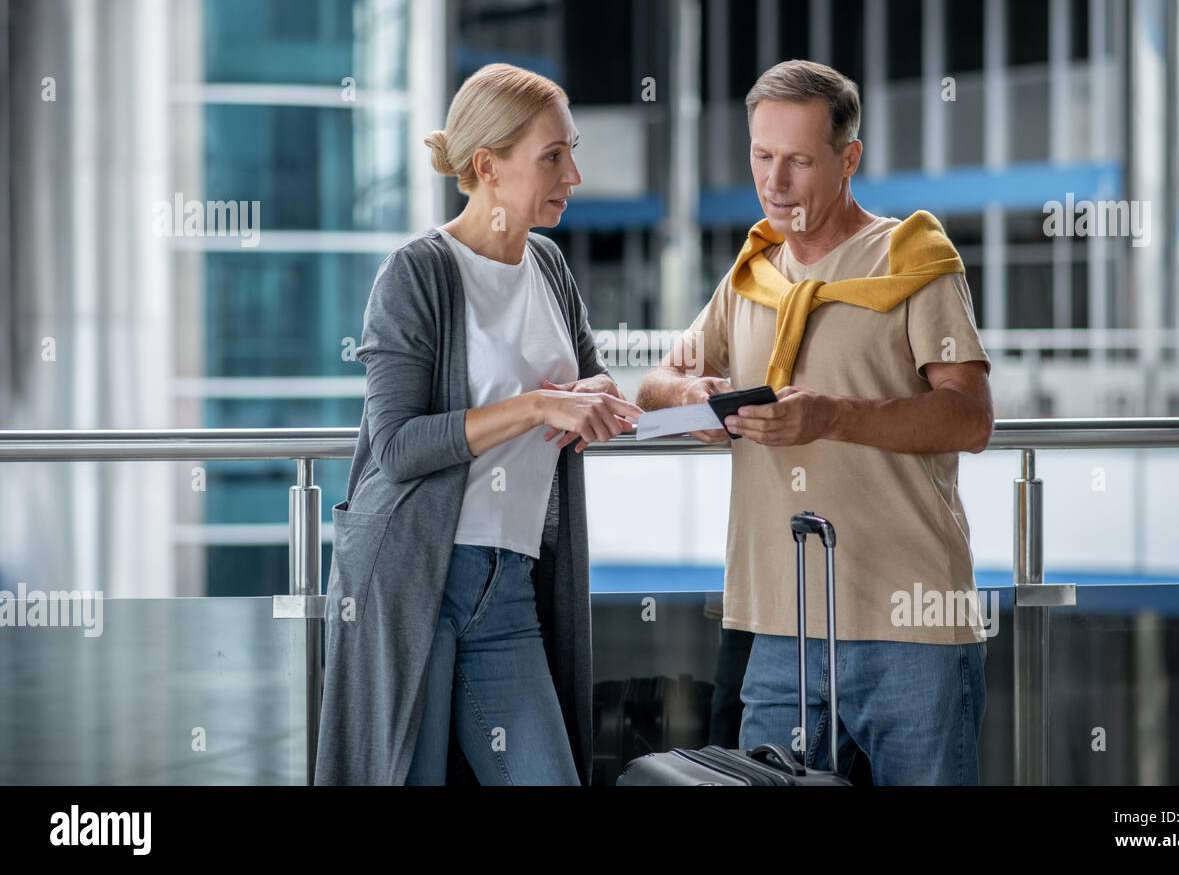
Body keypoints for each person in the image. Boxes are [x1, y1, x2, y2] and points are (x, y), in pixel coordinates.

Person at [638, 59, 994, 784]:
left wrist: (831, 415)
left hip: (913, 622)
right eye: (762, 157)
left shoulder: (914, 259)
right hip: (781, 627)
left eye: (799, 160)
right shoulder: (752, 273)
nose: (775, 181)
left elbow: (969, 417)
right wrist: (691, 400)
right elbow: (652, 382)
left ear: (848, 158)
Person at [315, 63, 641, 786]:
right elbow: (396, 449)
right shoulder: (415, 274)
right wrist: (536, 406)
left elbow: (591, 376)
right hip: (413, 582)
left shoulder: (550, 266)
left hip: (511, 583)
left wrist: (598, 398)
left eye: (571, 151)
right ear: (488, 166)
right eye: (552, 156)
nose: (574, 175)